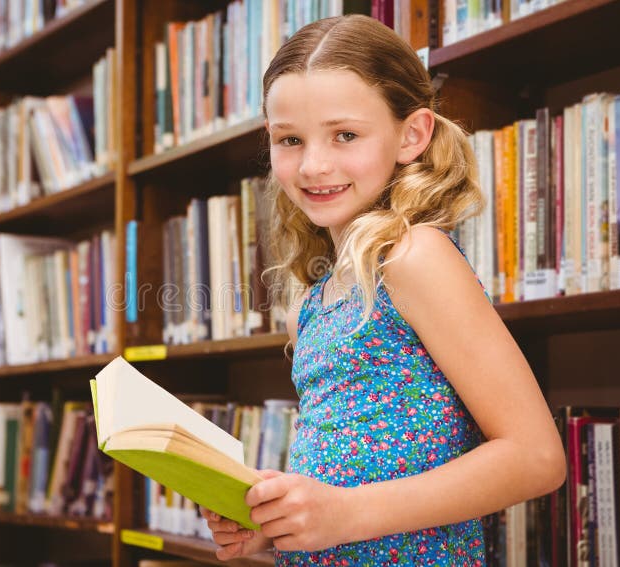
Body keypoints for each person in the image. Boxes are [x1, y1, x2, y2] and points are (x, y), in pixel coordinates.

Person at [201, 14, 566, 566]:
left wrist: (343, 514)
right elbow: (344, 465)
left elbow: (537, 457)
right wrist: (279, 520)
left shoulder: (415, 256)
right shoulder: (320, 294)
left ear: (412, 134)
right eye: (290, 140)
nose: (314, 165)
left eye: (345, 135)